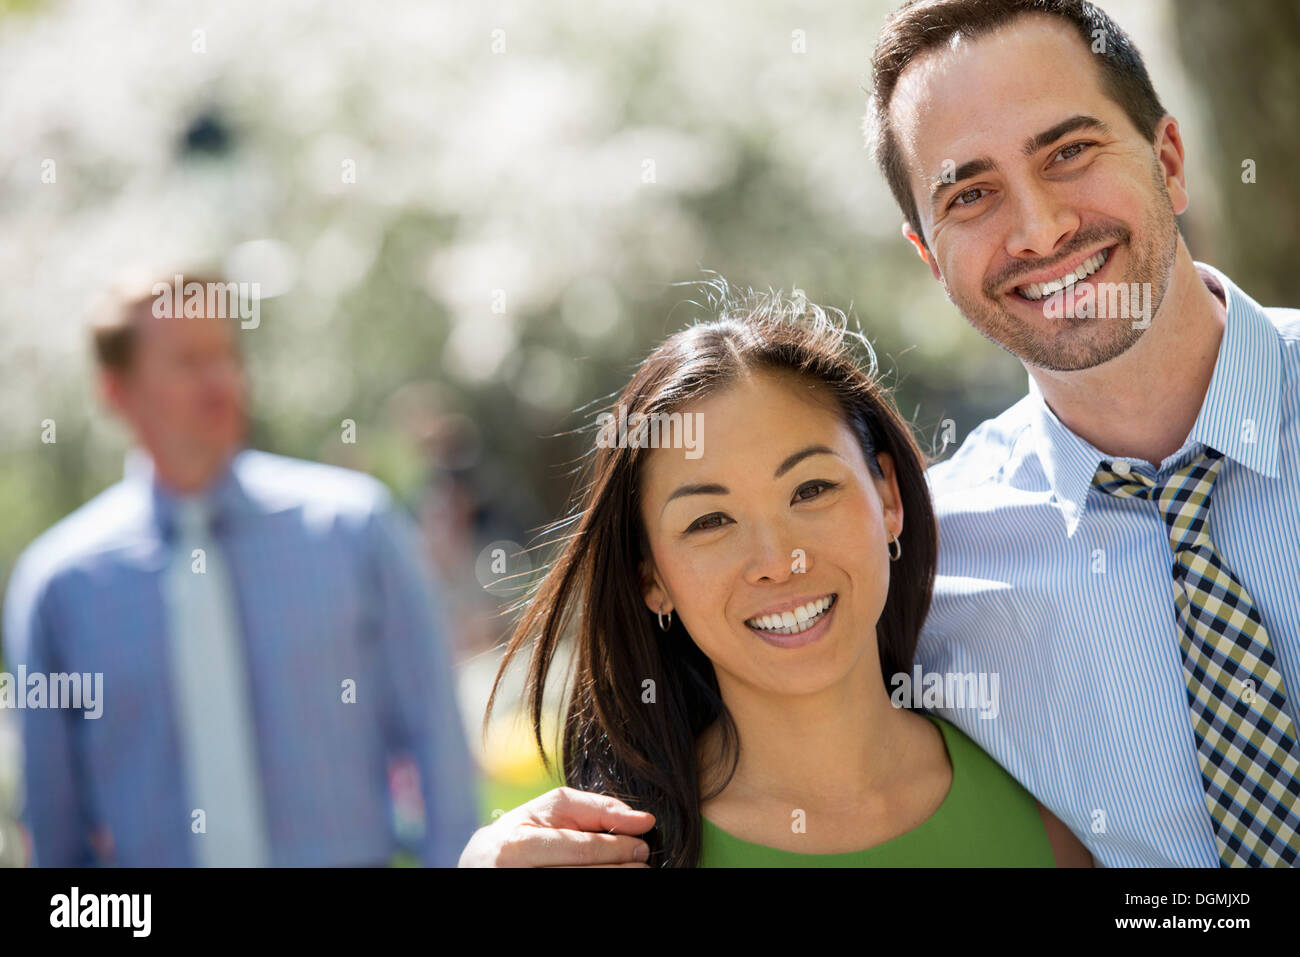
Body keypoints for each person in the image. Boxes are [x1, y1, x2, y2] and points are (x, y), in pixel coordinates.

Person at [461, 0, 1300, 867]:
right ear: (929, 252)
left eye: (1070, 152)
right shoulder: (931, 569)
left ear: (1168, 160)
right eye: (969, 193)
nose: (1041, 228)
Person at [477, 280, 1091, 867]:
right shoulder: (609, 855)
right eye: (710, 521)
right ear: (650, 580)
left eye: (812, 489)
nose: (777, 562)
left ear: (887, 498)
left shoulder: (1055, 807)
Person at [2, 272, 479, 866]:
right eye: (188, 361)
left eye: (227, 355)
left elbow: (438, 744)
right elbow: (54, 825)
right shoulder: (59, 587)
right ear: (116, 390)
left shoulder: (356, 530)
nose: (221, 381)